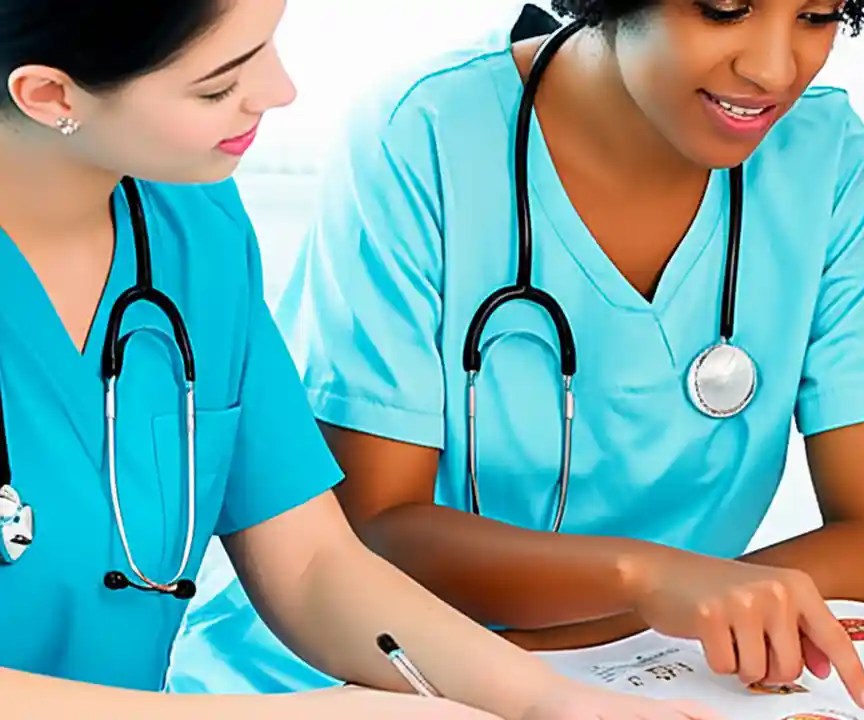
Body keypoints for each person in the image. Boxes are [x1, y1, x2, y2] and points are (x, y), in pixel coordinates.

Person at [168, 0, 864, 710]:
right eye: (725, 9)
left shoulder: (823, 154)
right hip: (349, 681)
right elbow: (370, 535)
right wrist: (645, 585)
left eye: (817, 15)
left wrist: (572, 653)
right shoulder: (425, 133)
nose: (776, 68)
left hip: (628, 682)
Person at [0, 1, 725, 718]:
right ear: (50, 95)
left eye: (267, 45)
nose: (280, 90)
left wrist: (556, 704)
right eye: (219, 83)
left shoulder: (196, 227)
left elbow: (313, 566)